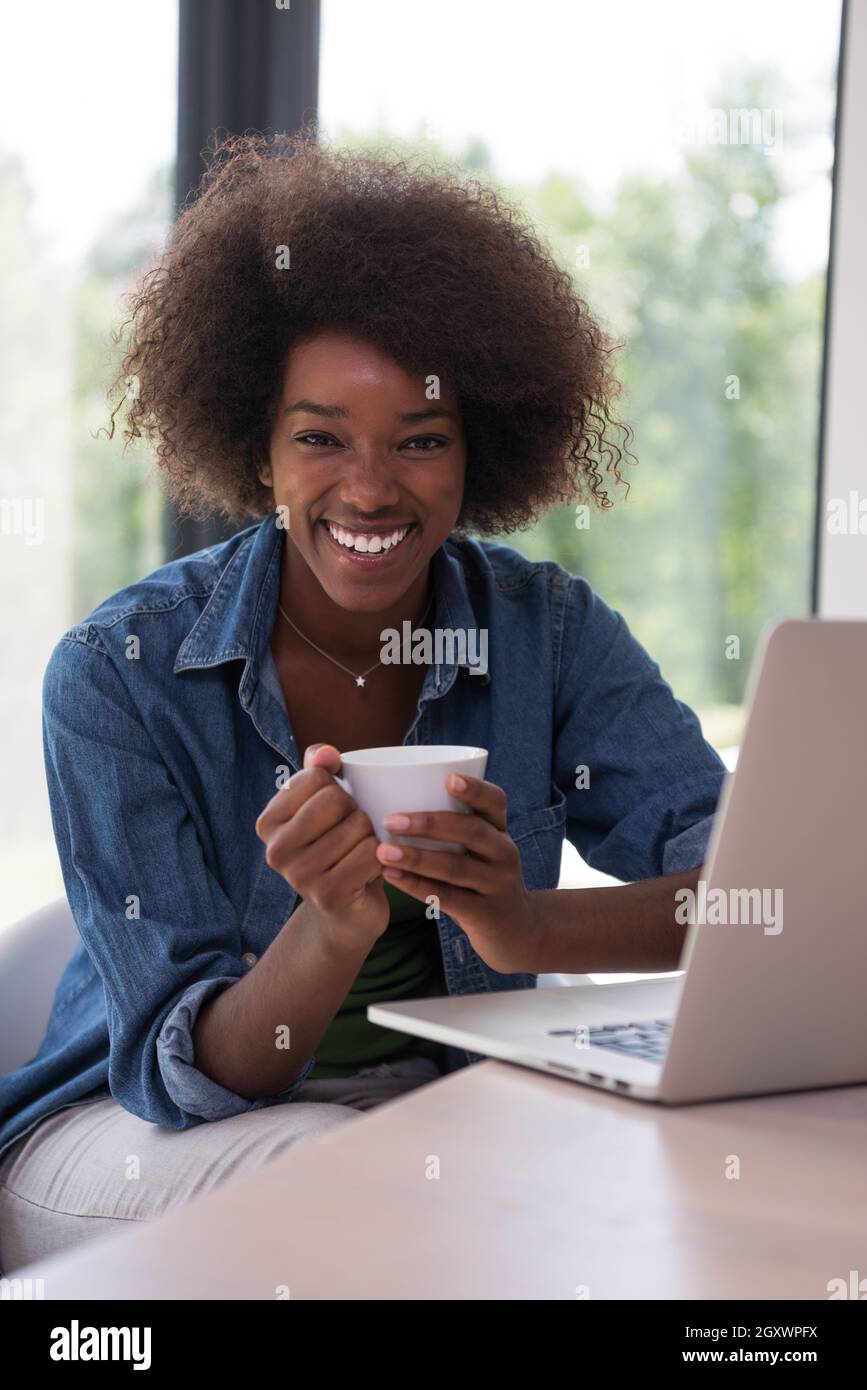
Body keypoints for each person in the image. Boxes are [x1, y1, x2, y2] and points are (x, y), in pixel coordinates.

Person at [0, 130, 725, 1272]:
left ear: (479, 450)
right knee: (347, 1181)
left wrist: (530, 927)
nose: (372, 488)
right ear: (259, 446)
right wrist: (330, 925)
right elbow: (202, 1077)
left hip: (423, 1121)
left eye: (421, 441)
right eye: (321, 439)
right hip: (127, 1134)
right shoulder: (117, 673)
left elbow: (751, 892)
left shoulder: (546, 631)